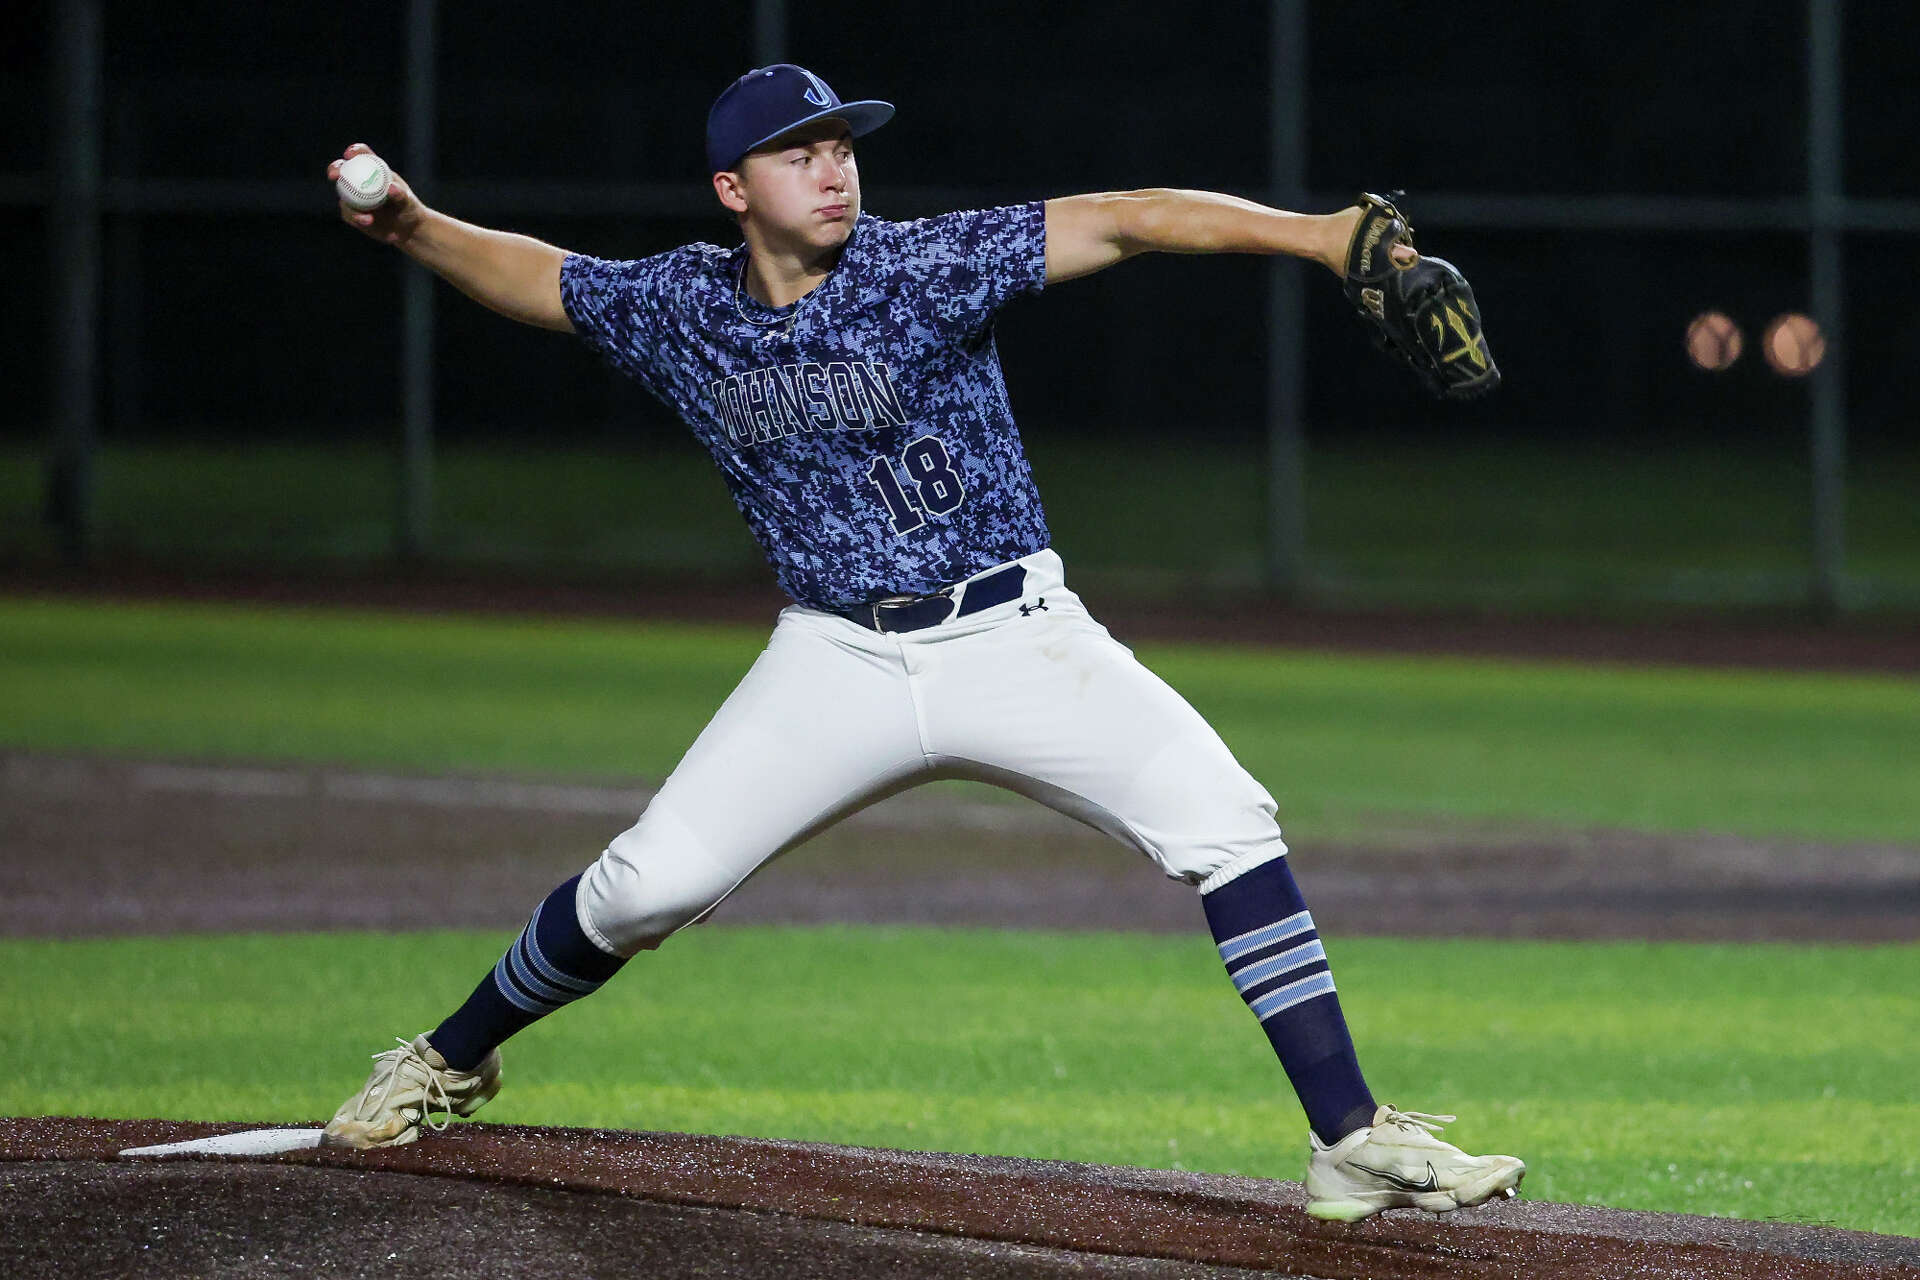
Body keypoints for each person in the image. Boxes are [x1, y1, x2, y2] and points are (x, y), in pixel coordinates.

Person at [320, 63, 1524, 1223]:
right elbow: (545, 279)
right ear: (733, 189)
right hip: (834, 658)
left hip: (1014, 636)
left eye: (841, 146)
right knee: (646, 886)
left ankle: (1349, 1139)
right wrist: (415, 227)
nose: (833, 169)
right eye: (798, 154)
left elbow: (1131, 217)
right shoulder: (684, 306)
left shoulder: (922, 265)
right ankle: (447, 1055)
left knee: (1227, 820)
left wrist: (1320, 236)